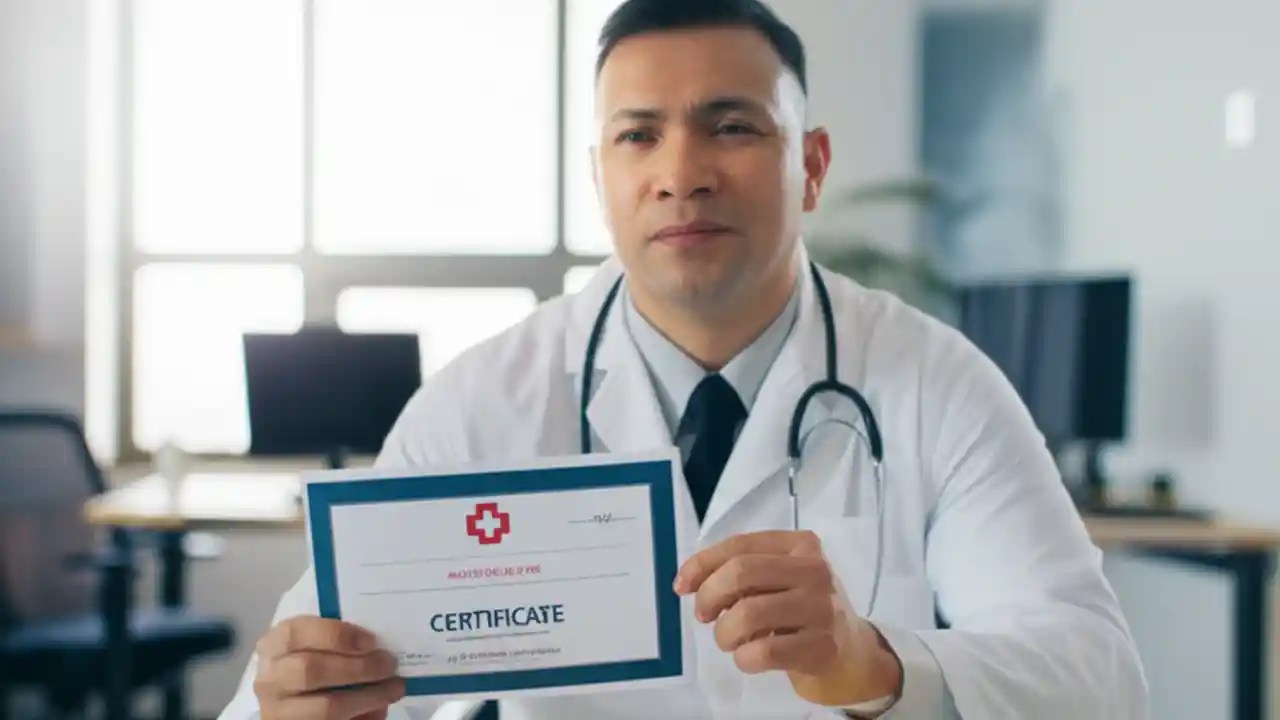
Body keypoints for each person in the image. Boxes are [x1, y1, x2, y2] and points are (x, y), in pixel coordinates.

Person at [222, 0, 1149, 718]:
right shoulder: (481, 405)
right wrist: (301, 698)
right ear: (601, 179)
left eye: (732, 126)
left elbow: (1098, 677)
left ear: (813, 166)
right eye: (638, 135)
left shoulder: (935, 383)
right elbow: (303, 679)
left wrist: (873, 660)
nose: (682, 172)